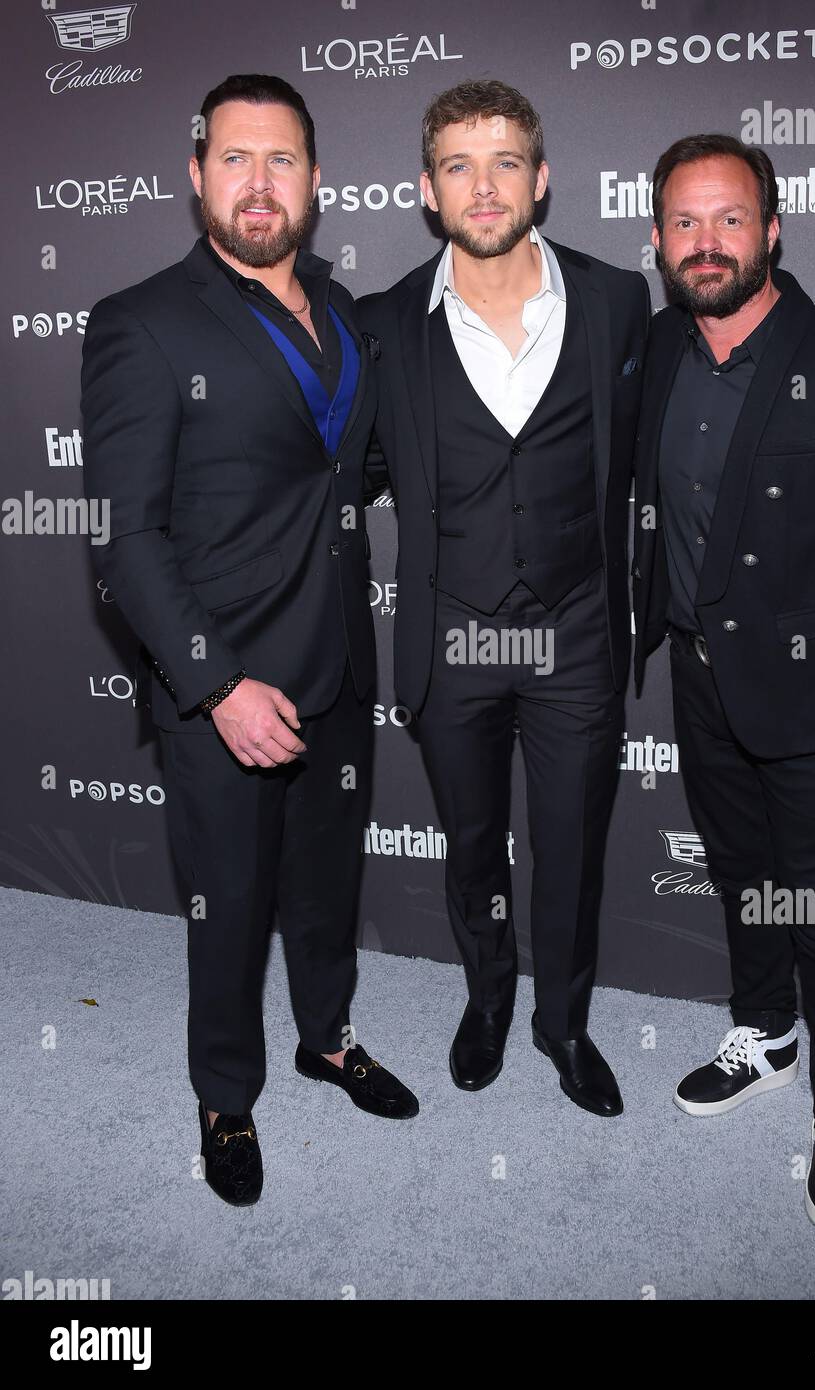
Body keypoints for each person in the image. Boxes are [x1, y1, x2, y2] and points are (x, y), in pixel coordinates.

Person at [81, 73, 417, 1208]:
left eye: (281, 160)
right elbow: (126, 540)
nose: (258, 182)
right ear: (196, 175)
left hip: (336, 662)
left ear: (316, 182)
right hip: (220, 679)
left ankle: (327, 1037)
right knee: (226, 905)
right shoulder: (140, 322)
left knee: (326, 888)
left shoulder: (346, 313)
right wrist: (217, 685)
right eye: (235, 157)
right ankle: (225, 1095)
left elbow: (347, 470)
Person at [632, 133, 815, 1229]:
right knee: (741, 876)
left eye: (726, 220)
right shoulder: (659, 351)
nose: (704, 243)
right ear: (658, 237)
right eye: (682, 222)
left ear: (770, 230)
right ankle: (764, 1034)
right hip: (698, 674)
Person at [359, 80, 649, 1115]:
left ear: (542, 178)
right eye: (457, 165)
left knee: (571, 846)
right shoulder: (382, 324)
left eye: (505, 162)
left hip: (573, 630)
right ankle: (488, 998)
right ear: (428, 192)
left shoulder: (619, 298)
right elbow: (334, 476)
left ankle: (561, 1023)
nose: (484, 187)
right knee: (474, 842)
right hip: (453, 633)